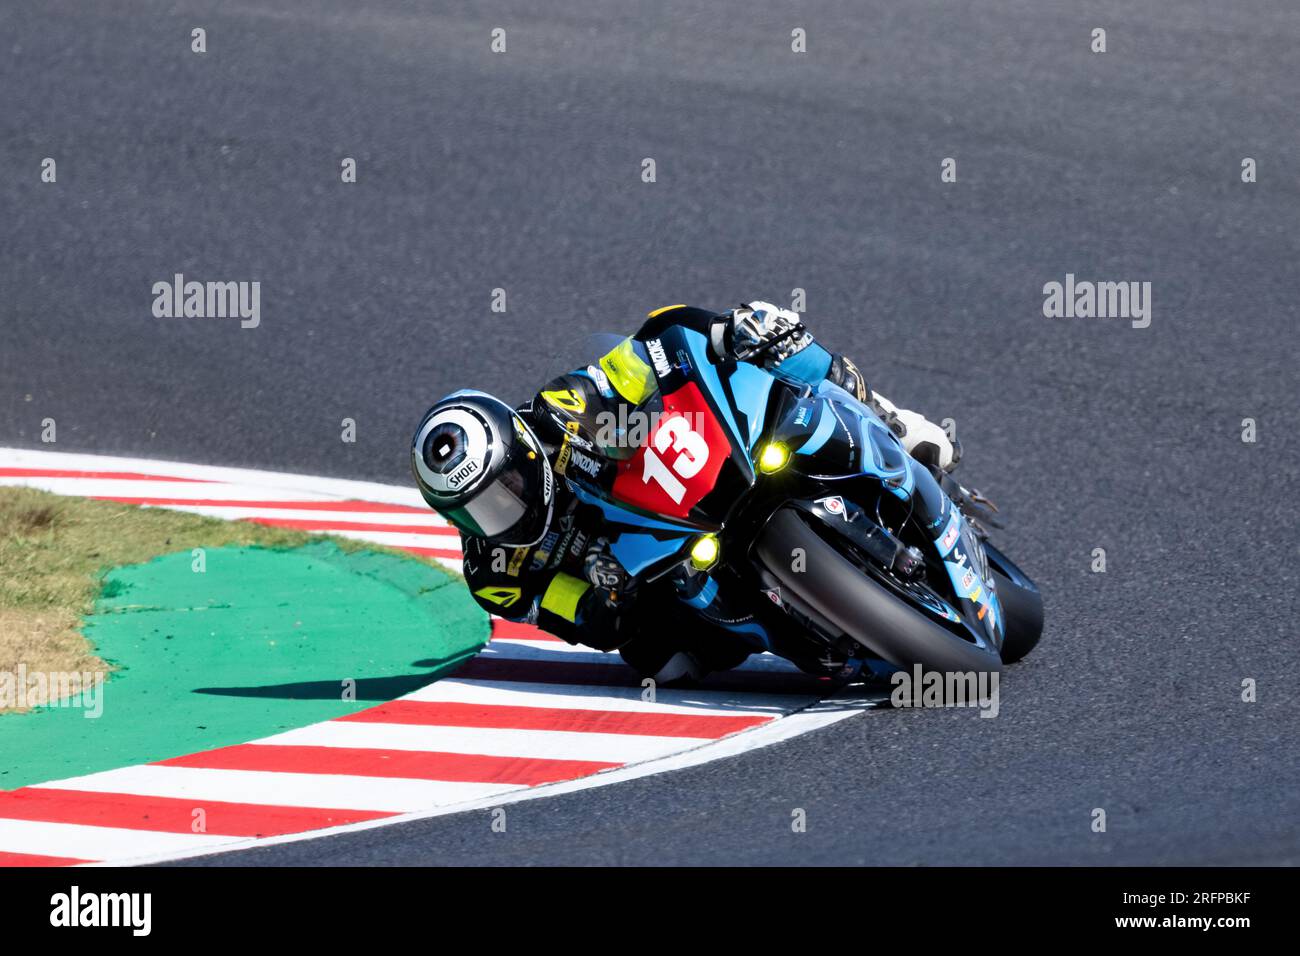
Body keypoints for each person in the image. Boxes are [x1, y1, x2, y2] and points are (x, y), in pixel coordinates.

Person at [411, 302, 960, 682]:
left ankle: (887, 416)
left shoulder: (564, 409)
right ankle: (808, 631)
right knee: (668, 665)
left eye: (503, 488)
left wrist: (725, 332)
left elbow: (652, 345)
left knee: (775, 351)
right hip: (655, 572)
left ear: (523, 452)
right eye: (478, 510)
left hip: (689, 477)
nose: (502, 510)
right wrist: (605, 596)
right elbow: (583, 623)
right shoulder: (495, 578)